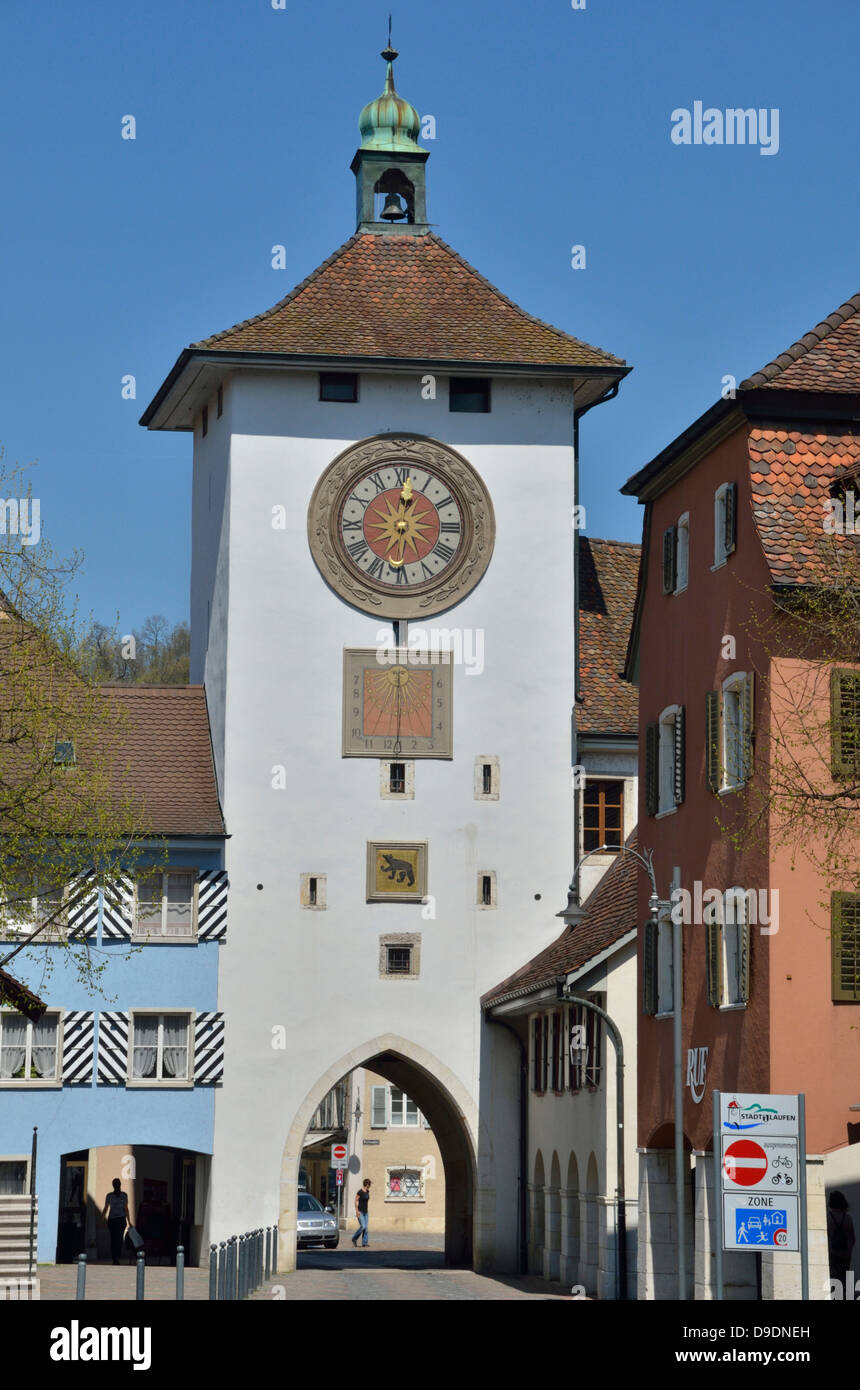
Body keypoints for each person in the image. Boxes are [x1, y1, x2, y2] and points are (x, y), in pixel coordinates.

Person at [827, 1189, 855, 1292]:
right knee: (843, 1279)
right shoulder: (848, 1218)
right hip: (845, 1254)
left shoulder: (827, 1218)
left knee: (832, 1279)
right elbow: (852, 1238)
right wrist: (848, 1251)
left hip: (832, 1253)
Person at [102, 1178, 131, 1265]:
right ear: (113, 1185)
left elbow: (126, 1209)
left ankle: (117, 1256)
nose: (116, 1186)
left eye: (117, 1184)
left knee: (118, 1239)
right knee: (113, 1239)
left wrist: (129, 1221)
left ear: (119, 1185)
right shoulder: (109, 1196)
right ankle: (115, 1257)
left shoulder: (124, 1195)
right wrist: (102, 1218)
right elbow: (106, 1208)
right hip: (112, 1221)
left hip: (121, 1220)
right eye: (115, 1184)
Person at [352, 1178, 371, 1248]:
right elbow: (356, 1201)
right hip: (360, 1211)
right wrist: (357, 1211)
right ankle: (354, 1238)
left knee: (366, 1228)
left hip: (366, 1212)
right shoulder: (360, 1192)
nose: (369, 1186)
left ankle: (364, 1243)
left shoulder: (367, 1191)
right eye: (369, 1185)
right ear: (366, 1184)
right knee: (363, 1227)